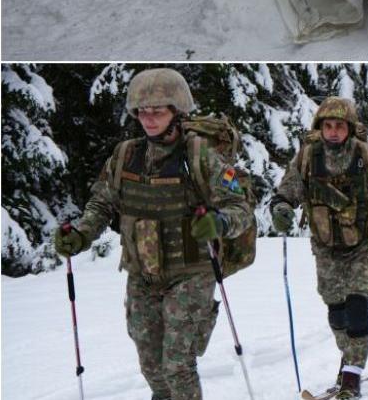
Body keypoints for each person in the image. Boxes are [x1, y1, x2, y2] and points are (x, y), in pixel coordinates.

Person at [54, 68, 254, 400]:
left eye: (157, 111)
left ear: (177, 112)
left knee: (177, 363)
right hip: (142, 271)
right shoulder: (126, 154)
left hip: (191, 271)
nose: (148, 119)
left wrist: (219, 222)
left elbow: (240, 208)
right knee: (150, 363)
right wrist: (81, 233)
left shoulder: (200, 155)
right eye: (142, 112)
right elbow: (103, 201)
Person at [271, 97, 368, 399]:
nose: (333, 132)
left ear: (350, 128)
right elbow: (287, 192)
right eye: (328, 126)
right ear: (320, 128)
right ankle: (350, 359)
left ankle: (352, 378)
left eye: (339, 126)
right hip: (325, 246)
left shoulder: (366, 155)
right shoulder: (307, 157)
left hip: (364, 243)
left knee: (357, 305)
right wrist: (281, 209)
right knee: (337, 313)